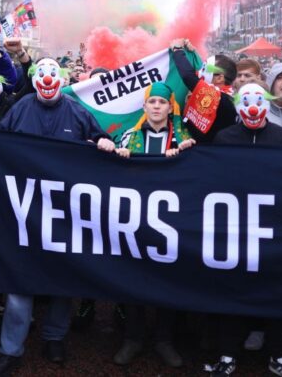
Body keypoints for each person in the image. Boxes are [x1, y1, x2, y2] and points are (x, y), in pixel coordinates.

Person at [0, 57, 117, 377]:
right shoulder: (21, 107)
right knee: (18, 282)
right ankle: (10, 350)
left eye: (52, 74)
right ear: (34, 78)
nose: (47, 80)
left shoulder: (76, 110)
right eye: (40, 74)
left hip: (64, 211)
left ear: (60, 78)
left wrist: (103, 141)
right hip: (24, 210)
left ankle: (54, 338)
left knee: (62, 278)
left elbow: (104, 140)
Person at [209, 81, 282, 377]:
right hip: (234, 229)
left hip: (273, 230)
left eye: (258, 100)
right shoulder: (224, 138)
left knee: (274, 295)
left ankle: (279, 356)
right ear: (237, 103)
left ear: (268, 103)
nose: (252, 106)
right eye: (246, 100)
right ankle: (226, 354)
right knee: (229, 294)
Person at [112, 82, 193, 368]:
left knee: (167, 283)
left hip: (171, 225)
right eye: (152, 102)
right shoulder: (129, 136)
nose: (157, 106)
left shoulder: (184, 138)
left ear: (170, 107)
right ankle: (133, 339)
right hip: (135, 221)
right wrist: (113, 152)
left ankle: (163, 340)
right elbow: (107, 169)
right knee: (133, 281)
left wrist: (185, 154)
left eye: (162, 102)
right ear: (144, 107)